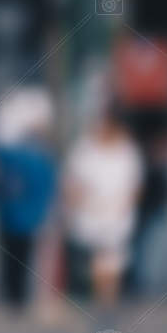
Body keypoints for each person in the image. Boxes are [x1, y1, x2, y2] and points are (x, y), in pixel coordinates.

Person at [63, 110, 143, 316]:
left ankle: (107, 302)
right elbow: (72, 183)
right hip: (91, 215)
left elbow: (135, 186)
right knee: (99, 262)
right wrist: (77, 205)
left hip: (117, 215)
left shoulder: (127, 152)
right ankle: (103, 302)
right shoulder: (83, 150)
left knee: (111, 263)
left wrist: (124, 207)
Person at [0, 86, 57, 311]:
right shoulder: (13, 151)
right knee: (13, 255)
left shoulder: (37, 153)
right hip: (15, 213)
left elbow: (45, 184)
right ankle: (14, 297)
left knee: (27, 256)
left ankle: (24, 298)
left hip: (29, 214)